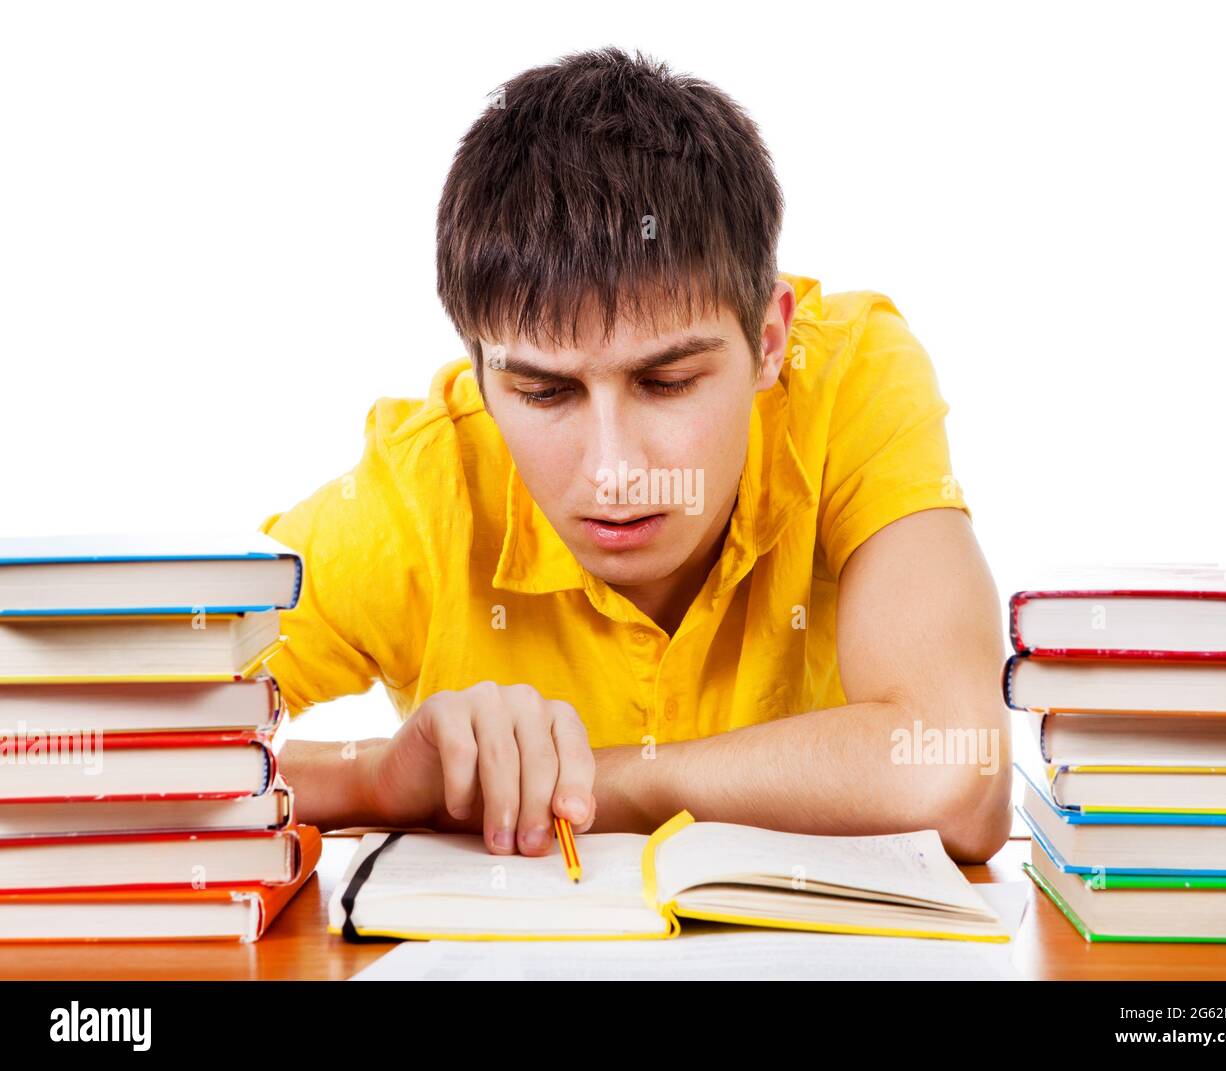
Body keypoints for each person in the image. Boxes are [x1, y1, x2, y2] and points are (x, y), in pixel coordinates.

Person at [261, 46, 1011, 863]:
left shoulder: (850, 378)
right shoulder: (419, 486)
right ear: (478, 373)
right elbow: (111, 753)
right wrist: (376, 777)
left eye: (668, 381)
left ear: (770, 340)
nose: (614, 470)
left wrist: (602, 783)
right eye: (546, 394)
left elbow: (956, 773)